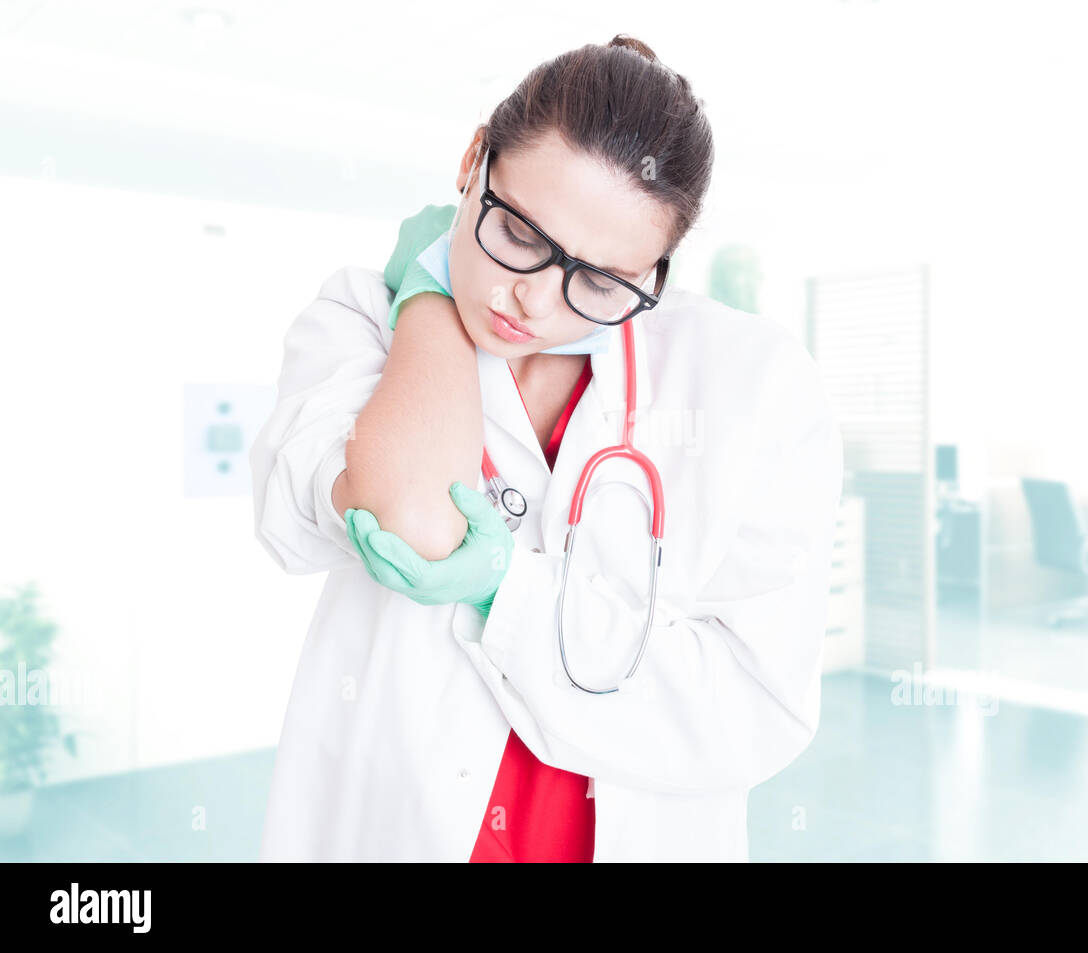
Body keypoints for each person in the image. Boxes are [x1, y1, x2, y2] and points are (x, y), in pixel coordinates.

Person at [248, 34, 844, 862]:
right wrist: (427, 299)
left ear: (657, 277)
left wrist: (512, 596)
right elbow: (409, 519)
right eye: (520, 234)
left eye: (601, 281)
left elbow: (755, 704)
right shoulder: (360, 319)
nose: (531, 299)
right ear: (471, 163)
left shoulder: (754, 387)